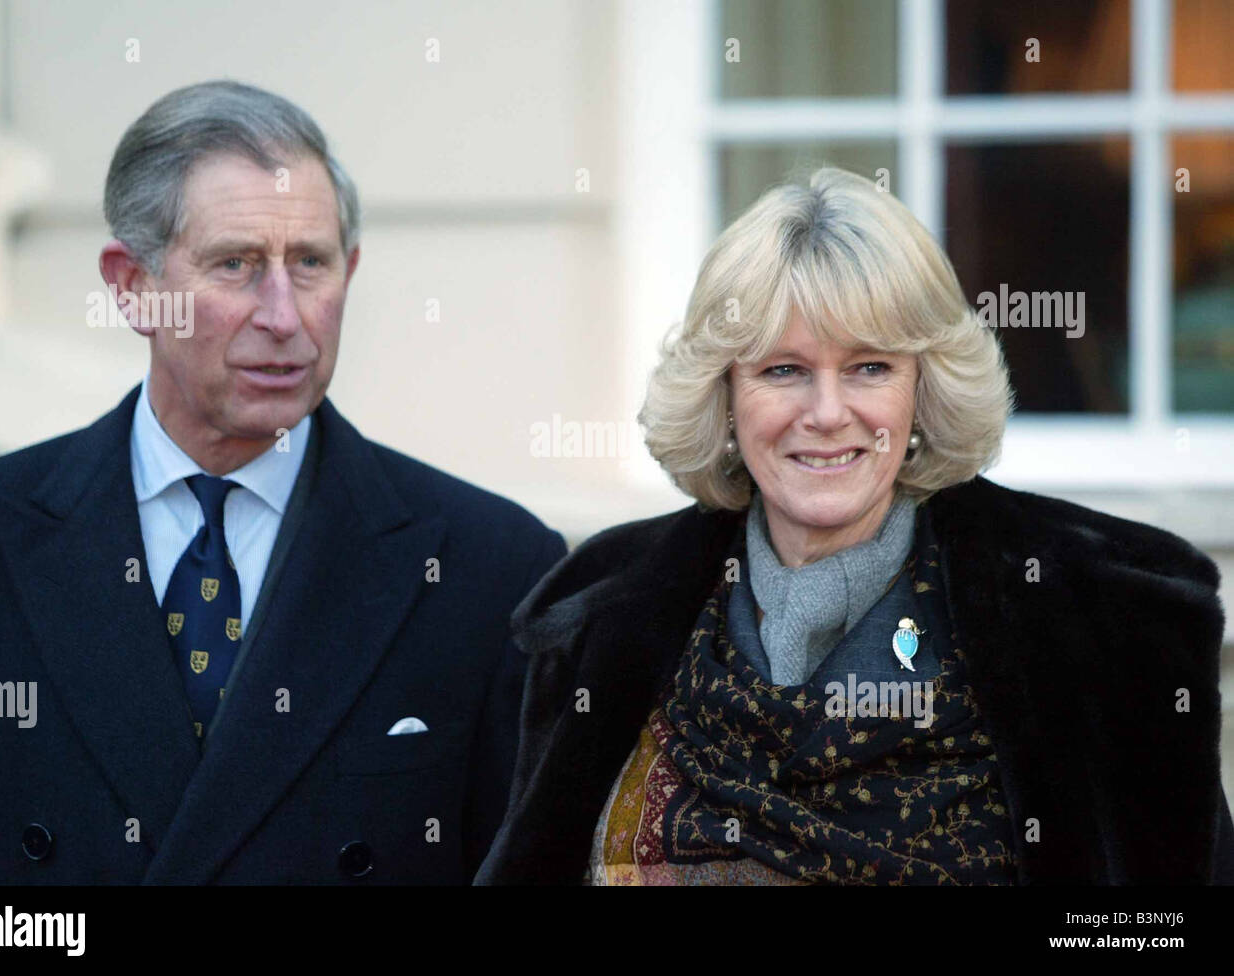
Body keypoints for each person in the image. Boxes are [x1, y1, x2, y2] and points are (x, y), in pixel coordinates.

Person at [476, 167, 1233, 885]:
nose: (828, 412)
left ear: (923, 390)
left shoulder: (1105, 610)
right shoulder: (604, 609)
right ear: (725, 398)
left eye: (870, 366)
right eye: (783, 369)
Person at [0, 80, 565, 884]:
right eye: (235, 265)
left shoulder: (491, 567)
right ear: (133, 288)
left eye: (310, 264)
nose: (283, 314)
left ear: (351, 271)